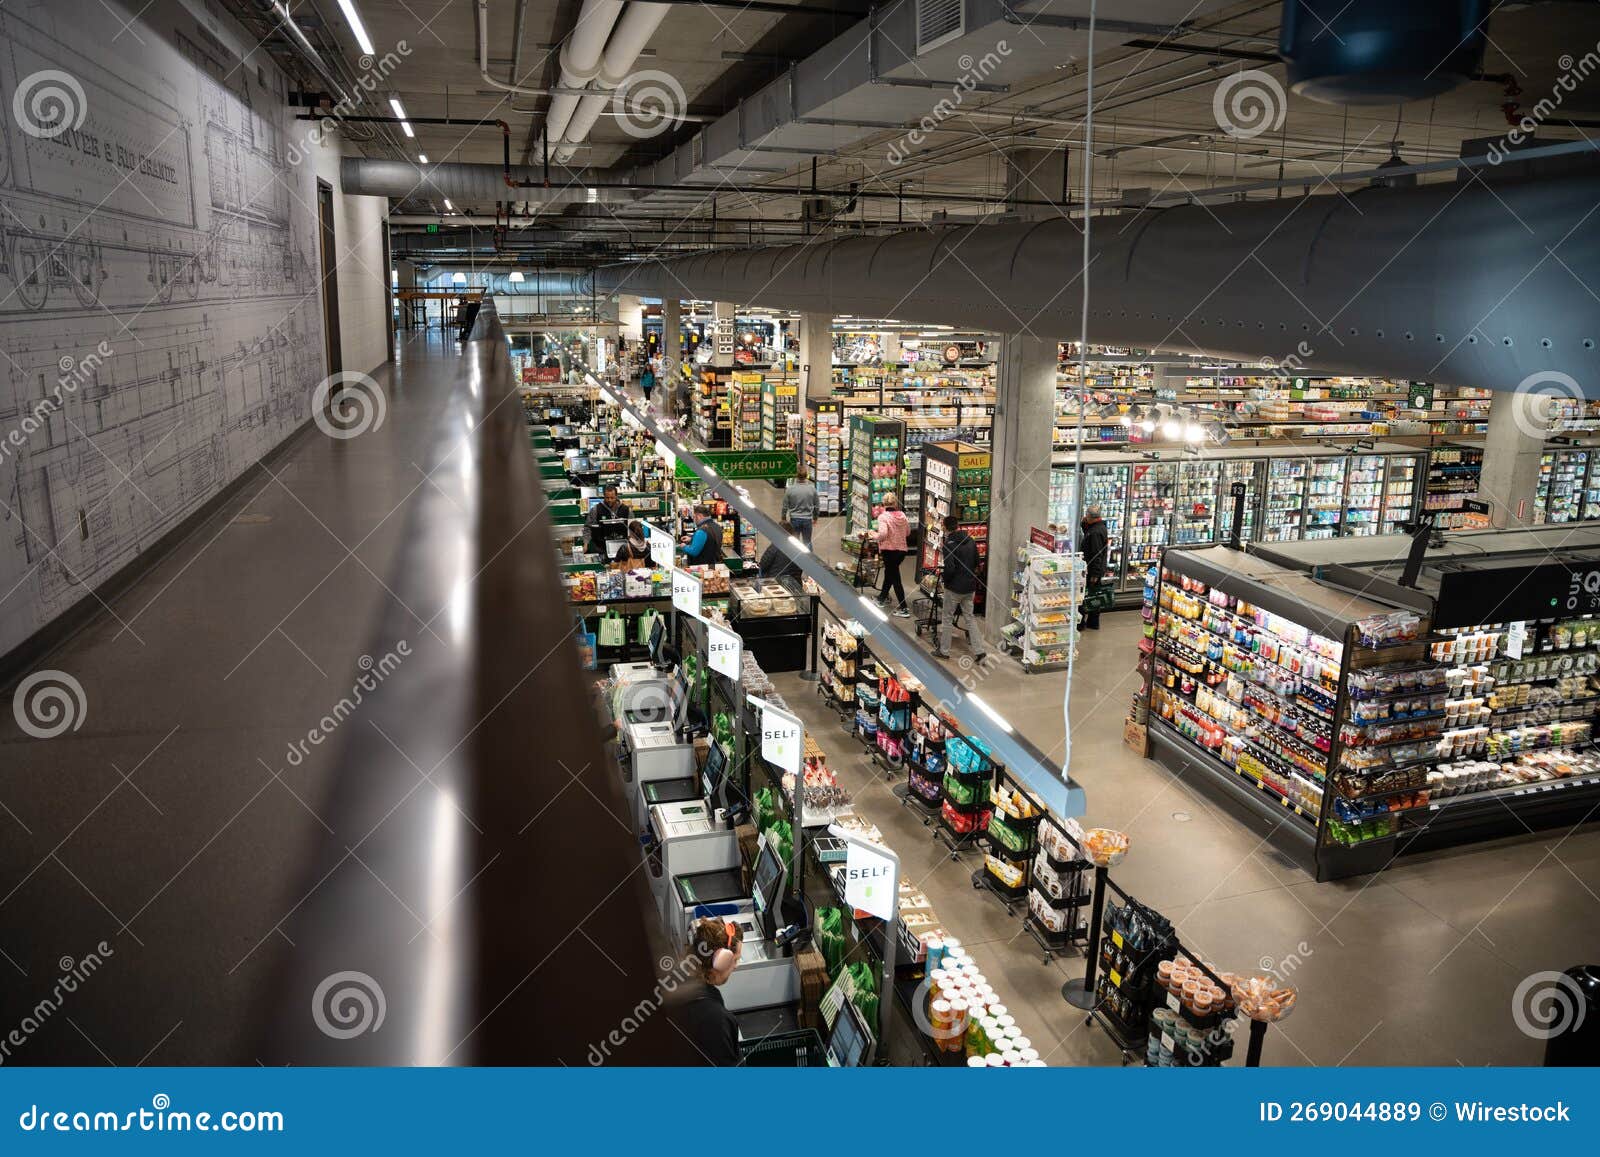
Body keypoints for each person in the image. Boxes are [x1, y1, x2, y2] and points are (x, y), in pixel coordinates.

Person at [674, 917, 744, 1066]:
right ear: (721, 962)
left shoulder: (677, 978)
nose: (736, 966)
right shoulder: (716, 1019)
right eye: (736, 960)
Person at [933, 514, 986, 662]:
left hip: (954, 588)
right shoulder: (970, 541)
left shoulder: (949, 545)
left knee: (947, 618)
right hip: (970, 586)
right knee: (970, 618)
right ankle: (979, 650)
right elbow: (977, 561)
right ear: (958, 526)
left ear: (945, 528)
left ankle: (944, 651)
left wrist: (946, 581)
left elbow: (949, 568)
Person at [874, 493, 912, 618]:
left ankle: (904, 608)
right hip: (901, 551)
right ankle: (881, 598)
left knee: (895, 579)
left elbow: (883, 534)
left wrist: (874, 535)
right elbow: (908, 532)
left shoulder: (883, 517)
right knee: (890, 574)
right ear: (895, 503)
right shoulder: (902, 516)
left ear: (883, 504)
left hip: (889, 551)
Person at [1079, 504, 1110, 630]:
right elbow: (1088, 533)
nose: (1085, 516)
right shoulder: (1098, 527)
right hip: (1093, 569)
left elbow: (1097, 554)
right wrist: (1083, 524)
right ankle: (1093, 622)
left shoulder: (1096, 532)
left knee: (1085, 596)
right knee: (1094, 595)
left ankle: (1081, 623)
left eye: (1087, 515)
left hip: (1092, 570)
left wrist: (1095, 574)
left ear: (1091, 517)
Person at [586, 484, 631, 556]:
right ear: (604, 497)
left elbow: (632, 528)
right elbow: (587, 527)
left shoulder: (626, 510)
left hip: (622, 546)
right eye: (607, 498)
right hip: (601, 547)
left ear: (616, 496)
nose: (609, 500)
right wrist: (586, 543)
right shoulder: (596, 509)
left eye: (612, 498)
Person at [781, 465, 818, 546]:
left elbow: (785, 506)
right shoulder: (812, 489)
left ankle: (795, 558)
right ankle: (809, 558)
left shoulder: (790, 490)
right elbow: (816, 506)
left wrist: (783, 518)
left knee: (794, 544)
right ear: (806, 475)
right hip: (807, 520)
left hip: (794, 520)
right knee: (807, 542)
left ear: (796, 476)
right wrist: (815, 518)